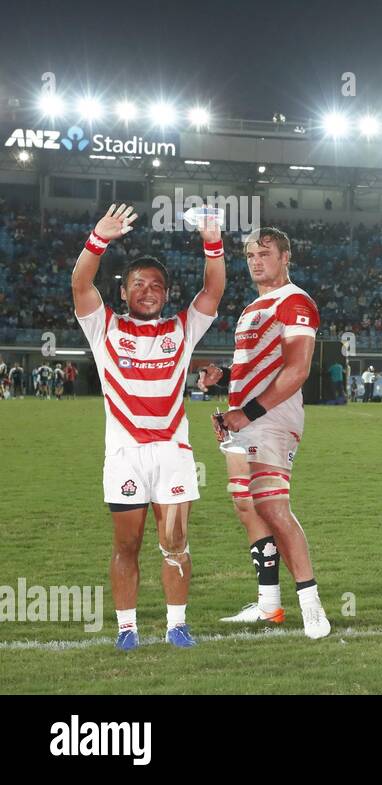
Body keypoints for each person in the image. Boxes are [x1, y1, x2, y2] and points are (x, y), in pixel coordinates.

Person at [72, 203, 225, 650]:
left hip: (173, 455)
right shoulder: (104, 329)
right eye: (138, 283)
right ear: (122, 292)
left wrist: (211, 238)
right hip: (124, 457)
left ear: (166, 294)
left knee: (175, 542)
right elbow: (81, 282)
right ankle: (127, 629)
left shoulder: (182, 328)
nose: (148, 290)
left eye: (157, 285)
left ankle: (177, 624)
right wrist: (98, 238)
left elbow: (213, 290)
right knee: (127, 545)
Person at [209, 226, 331, 639]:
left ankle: (311, 605)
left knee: (274, 508)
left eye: (264, 253)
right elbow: (254, 368)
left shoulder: (296, 301)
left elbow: (297, 370)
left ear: (285, 257)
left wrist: (247, 414)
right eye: (249, 255)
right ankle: (268, 606)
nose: (256, 261)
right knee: (249, 507)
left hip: (271, 418)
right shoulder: (251, 307)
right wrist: (224, 378)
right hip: (243, 417)